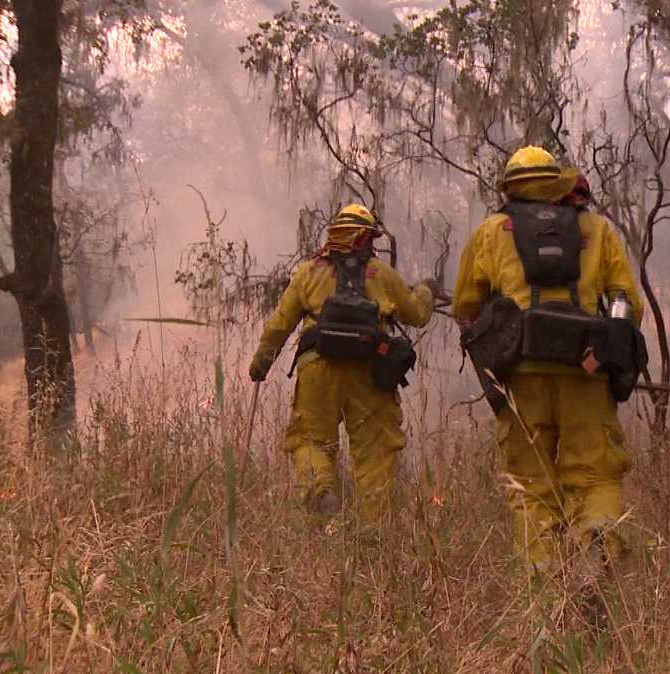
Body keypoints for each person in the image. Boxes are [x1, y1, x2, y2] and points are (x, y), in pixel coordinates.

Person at [451, 146, 645, 574]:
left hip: (520, 375)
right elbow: (630, 304)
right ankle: (595, 547)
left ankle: (544, 591)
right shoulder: (596, 228)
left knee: (532, 487)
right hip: (587, 371)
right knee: (595, 476)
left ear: (510, 186)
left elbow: (465, 302)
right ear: (557, 182)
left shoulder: (492, 231)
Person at [248, 204, 433, 521]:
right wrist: (425, 292)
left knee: (310, 440)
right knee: (375, 450)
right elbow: (416, 314)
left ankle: (320, 489)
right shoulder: (382, 274)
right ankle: (373, 533)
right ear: (366, 238)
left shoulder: (308, 272)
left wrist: (261, 364)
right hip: (370, 371)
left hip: (317, 368)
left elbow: (280, 324)